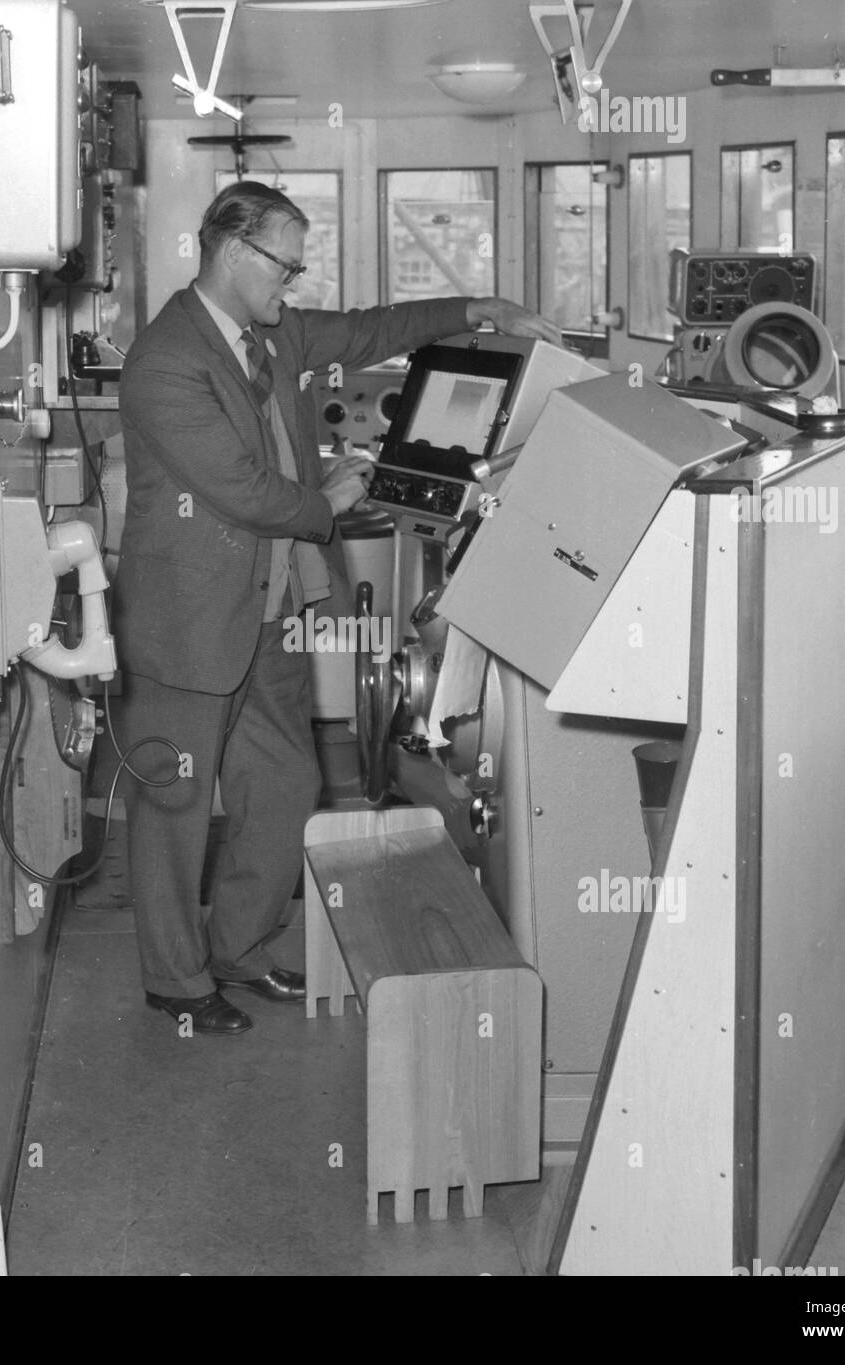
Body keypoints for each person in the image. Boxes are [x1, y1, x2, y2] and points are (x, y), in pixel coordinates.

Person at [115, 180, 562, 1035]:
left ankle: (239, 950)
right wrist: (334, 497)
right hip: (187, 620)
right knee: (174, 805)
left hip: (273, 603)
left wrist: (479, 308)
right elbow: (243, 492)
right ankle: (175, 980)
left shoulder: (270, 335)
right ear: (233, 253)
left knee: (283, 783)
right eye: (285, 264)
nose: (295, 281)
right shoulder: (166, 361)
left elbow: (371, 328)